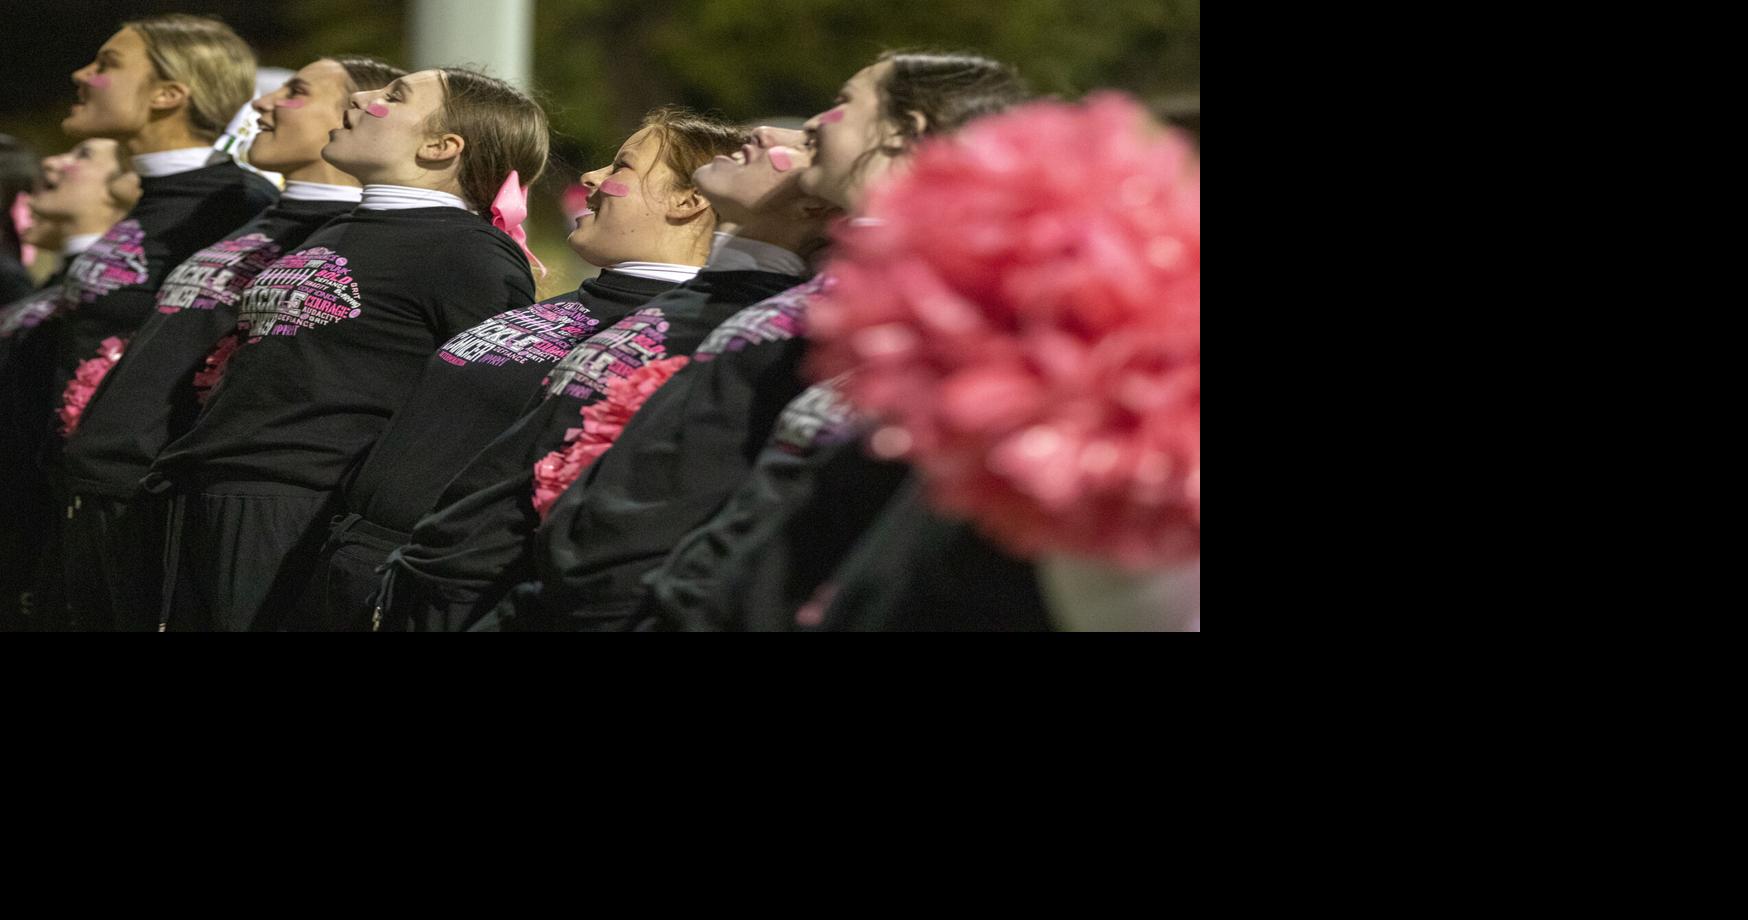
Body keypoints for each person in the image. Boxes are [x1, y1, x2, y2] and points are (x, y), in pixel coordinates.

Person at [293, 106, 744, 630]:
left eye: (622, 167)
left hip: (449, 594)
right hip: (356, 565)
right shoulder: (572, 302)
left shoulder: (676, 332)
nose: (592, 177)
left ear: (689, 201)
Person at [376, 125, 837, 632]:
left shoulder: (766, 331)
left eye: (622, 166)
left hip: (507, 596)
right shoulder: (688, 302)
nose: (592, 176)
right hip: (436, 575)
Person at [145, 67, 548, 632]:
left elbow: (480, 410)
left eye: (394, 96)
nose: (361, 97)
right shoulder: (337, 228)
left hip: (301, 512)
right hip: (217, 491)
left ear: (441, 146)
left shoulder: (470, 252)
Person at [55, 56, 404, 631]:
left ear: (355, 113)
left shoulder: (343, 240)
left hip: (172, 497)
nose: (262, 103)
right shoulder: (259, 216)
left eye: (294, 92)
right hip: (112, 485)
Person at [0, 138, 139, 630]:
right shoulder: (52, 286)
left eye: (82, 156)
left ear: (126, 187)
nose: (54, 161)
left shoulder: (114, 299)